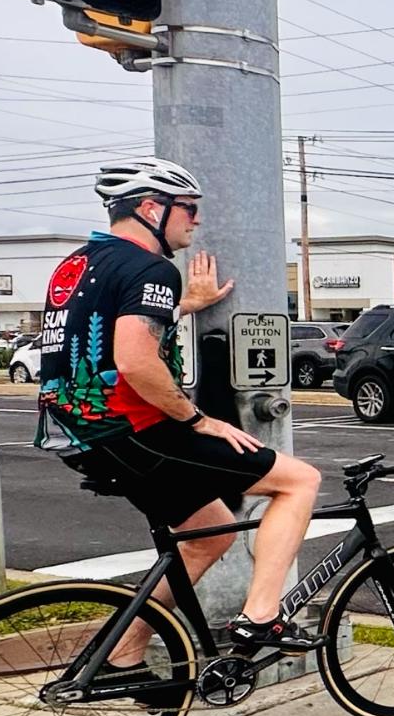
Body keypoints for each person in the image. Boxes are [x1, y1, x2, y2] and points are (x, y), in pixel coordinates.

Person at [36, 157, 326, 685]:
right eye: (188, 209)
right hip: (135, 429)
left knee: (207, 536)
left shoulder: (80, 263)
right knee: (299, 481)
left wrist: (183, 306)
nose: (194, 221)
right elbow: (134, 360)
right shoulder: (152, 269)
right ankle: (261, 618)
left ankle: (123, 657)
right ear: (152, 208)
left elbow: (107, 330)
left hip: (82, 430)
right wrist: (199, 421)